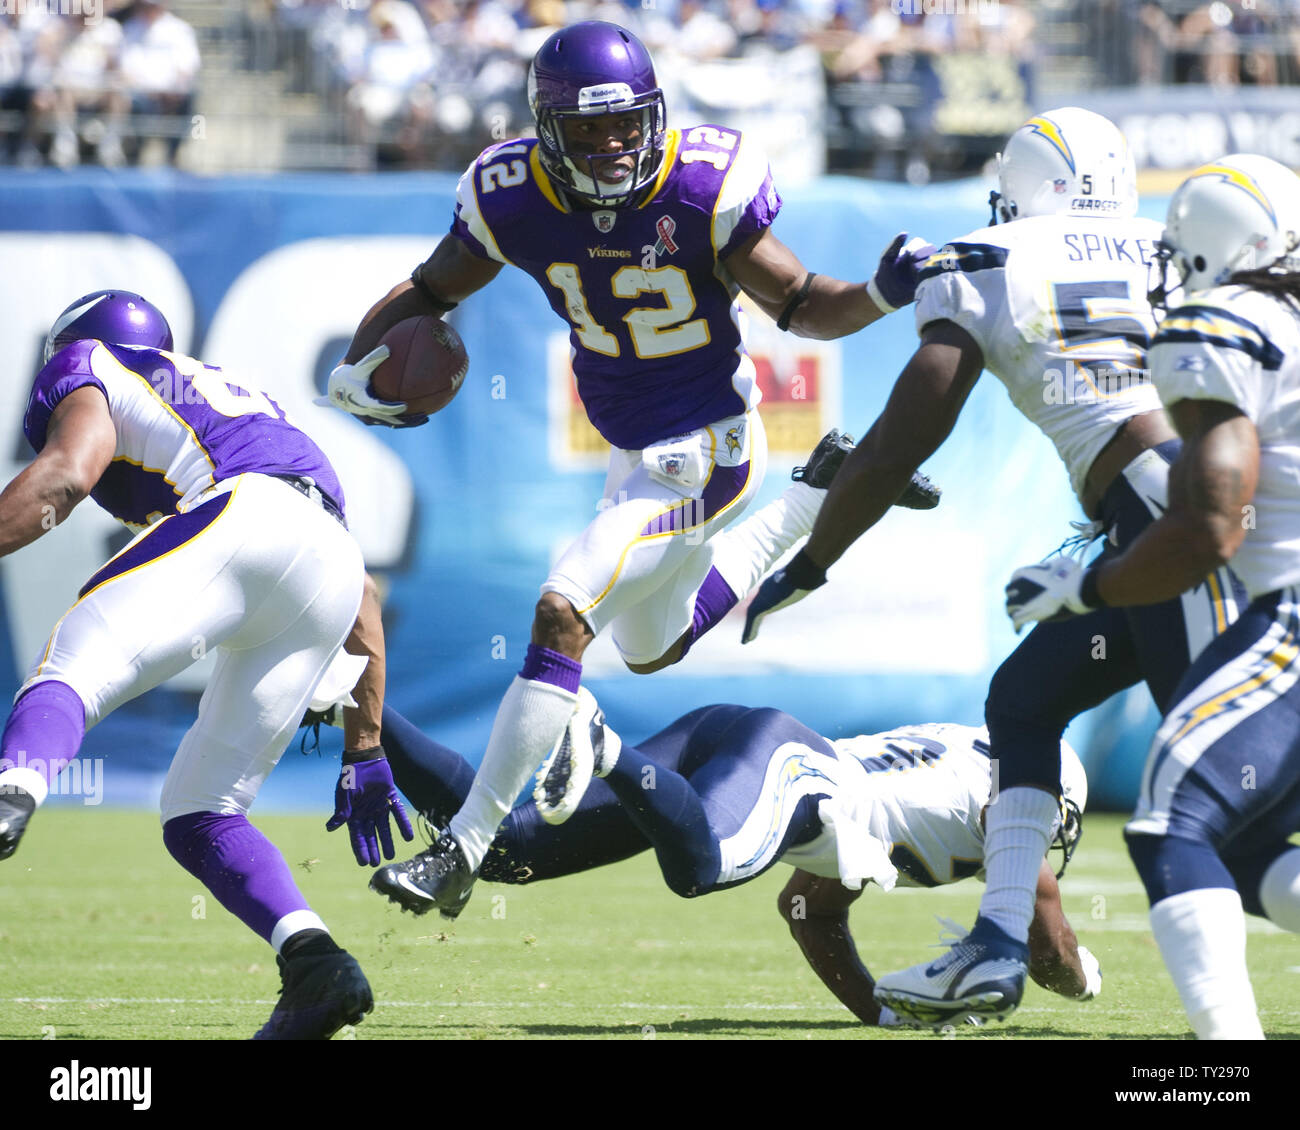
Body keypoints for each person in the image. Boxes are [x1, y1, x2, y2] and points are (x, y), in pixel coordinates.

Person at [319, 20, 935, 921]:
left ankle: (466, 846)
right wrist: (358, 360)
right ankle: (814, 494)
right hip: (635, 451)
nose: (612, 148)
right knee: (654, 648)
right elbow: (432, 289)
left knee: (563, 610)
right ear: (546, 128)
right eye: (588, 131)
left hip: (708, 447)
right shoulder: (511, 194)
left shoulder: (701, 185)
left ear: (653, 114)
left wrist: (881, 294)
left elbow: (801, 305)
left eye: (624, 125)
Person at [742, 107, 1245, 1025]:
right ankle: (997, 943)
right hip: (1217, 508)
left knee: (1219, 814)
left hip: (1169, 520)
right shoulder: (1174, 246)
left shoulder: (987, 257)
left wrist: (812, 558)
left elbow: (899, 443)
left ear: (1019, 188)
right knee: (1026, 700)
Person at [0, 290, 402, 1040]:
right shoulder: (256, 413)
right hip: (331, 569)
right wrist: (366, 747)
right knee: (201, 811)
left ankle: (10, 793)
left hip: (240, 517)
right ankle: (315, 964)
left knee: (69, 669)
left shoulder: (89, 363)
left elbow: (66, 474)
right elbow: (364, 604)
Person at [1004, 154, 1300, 1039]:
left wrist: (1086, 585)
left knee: (1174, 821)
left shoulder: (1219, 325)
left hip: (1288, 616)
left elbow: (1210, 526)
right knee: (1252, 842)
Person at [373, 691, 1101, 1027]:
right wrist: (1085, 980)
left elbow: (807, 912)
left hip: (754, 746)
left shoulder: (961, 759)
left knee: (504, 849)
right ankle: (605, 746)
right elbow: (1047, 948)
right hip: (791, 769)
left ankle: (356, 700)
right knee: (703, 866)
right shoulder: (1013, 802)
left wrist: (880, 1014)